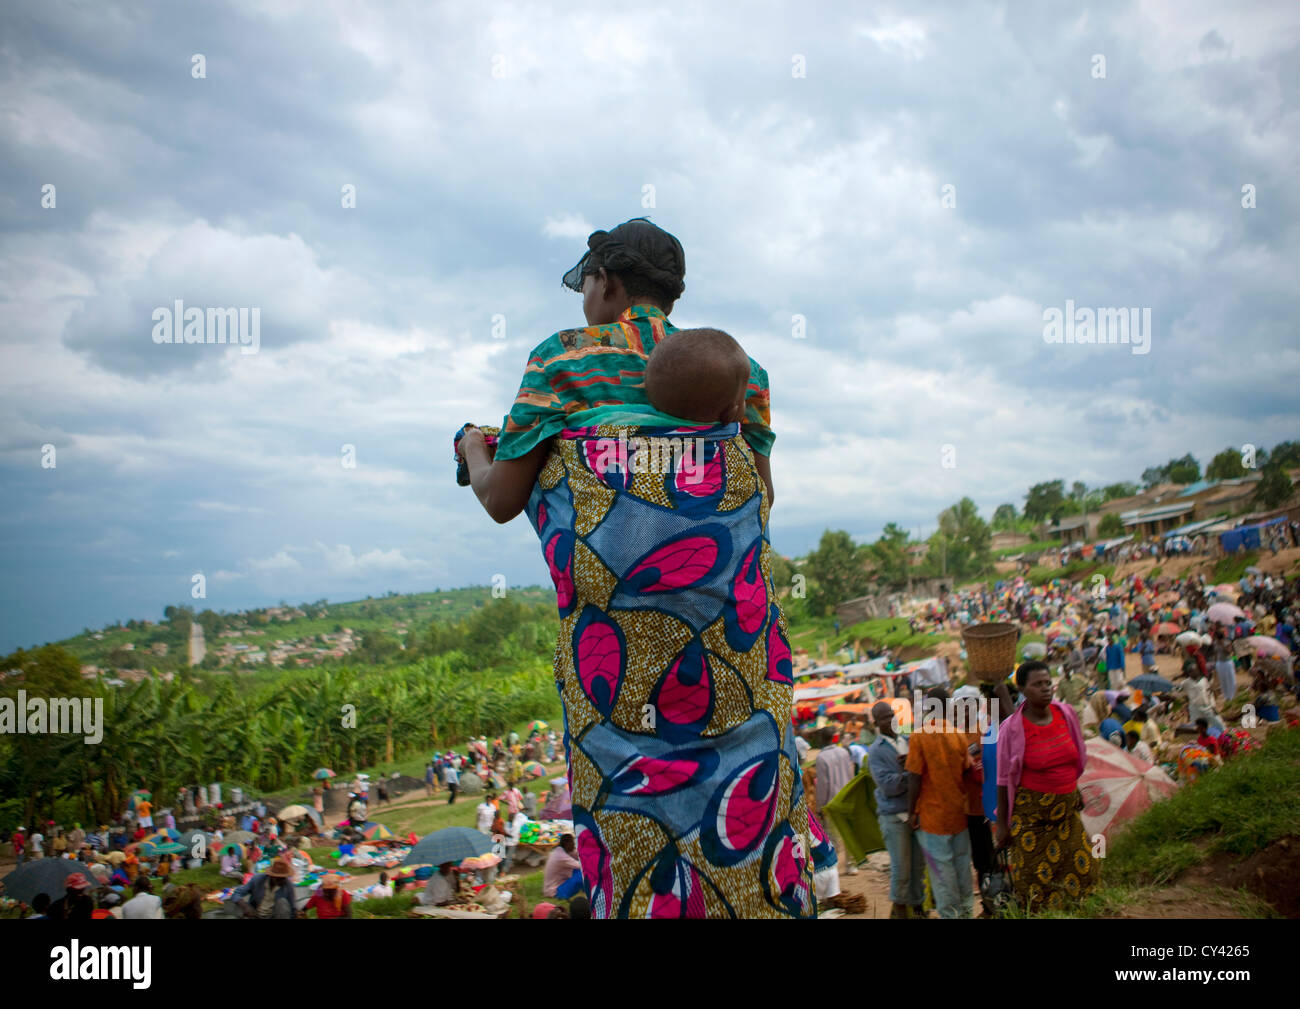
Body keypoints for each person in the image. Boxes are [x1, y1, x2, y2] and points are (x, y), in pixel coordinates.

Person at [455, 221, 822, 919]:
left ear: (609, 283)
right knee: (750, 840)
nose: (583, 298)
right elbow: (758, 496)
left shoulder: (561, 360)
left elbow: (503, 499)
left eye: (586, 283)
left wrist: (476, 449)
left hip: (616, 674)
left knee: (633, 844)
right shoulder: (741, 371)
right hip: (733, 654)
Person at [995, 661, 1097, 914]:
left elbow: (1074, 757)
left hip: (1066, 815)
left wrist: (1076, 790)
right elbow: (1003, 778)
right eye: (1037, 684)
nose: (1045, 689)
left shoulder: (1066, 714)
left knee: (1085, 870)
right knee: (1034, 883)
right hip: (1032, 820)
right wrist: (1002, 825)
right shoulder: (1012, 729)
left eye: (1047, 682)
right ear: (1022, 689)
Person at [905, 686, 978, 919]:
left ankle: (950, 915)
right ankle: (967, 911)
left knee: (942, 873)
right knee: (962, 867)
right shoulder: (958, 733)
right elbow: (968, 770)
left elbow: (914, 777)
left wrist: (910, 812)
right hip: (957, 813)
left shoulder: (919, 735)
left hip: (932, 816)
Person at [866, 700, 924, 918]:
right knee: (901, 870)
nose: (889, 720)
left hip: (916, 813)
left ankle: (918, 909)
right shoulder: (875, 752)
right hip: (893, 816)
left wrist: (911, 769)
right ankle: (900, 911)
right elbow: (888, 786)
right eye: (883, 718)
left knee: (918, 867)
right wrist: (912, 773)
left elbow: (923, 770)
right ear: (875, 723)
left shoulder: (909, 741)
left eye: (891, 715)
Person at [232, 859, 298, 919]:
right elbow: (237, 893)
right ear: (271, 876)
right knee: (239, 907)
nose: (281, 881)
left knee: (282, 902)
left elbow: (293, 908)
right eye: (278, 878)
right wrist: (246, 907)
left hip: (273, 915)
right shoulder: (257, 879)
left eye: (283, 878)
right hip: (255, 913)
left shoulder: (288, 885)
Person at [542, 834, 583, 899]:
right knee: (583, 873)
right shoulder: (560, 856)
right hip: (555, 891)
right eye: (573, 843)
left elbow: (579, 854)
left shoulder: (561, 850)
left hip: (557, 885)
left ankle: (586, 888)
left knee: (579, 872)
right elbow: (581, 866)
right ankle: (588, 888)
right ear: (567, 844)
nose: (574, 845)